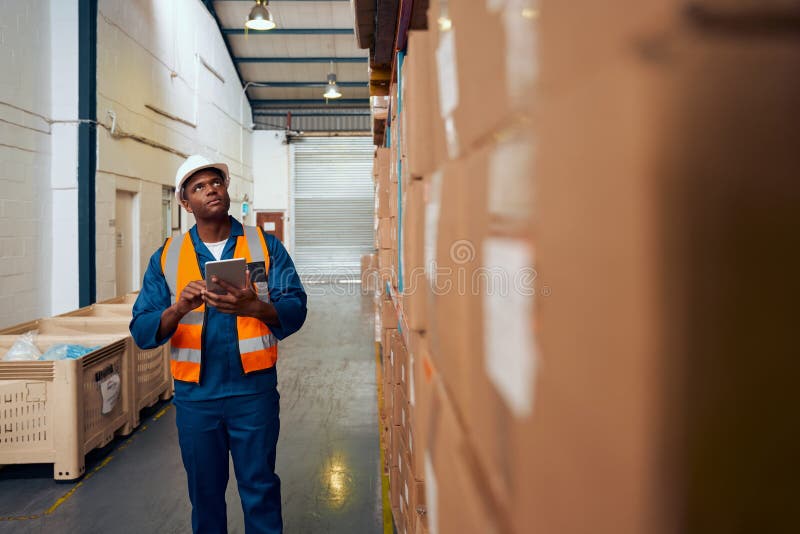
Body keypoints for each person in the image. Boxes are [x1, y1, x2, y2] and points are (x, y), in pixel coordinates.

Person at [130, 154, 307, 534]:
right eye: (198, 187)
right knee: (205, 495)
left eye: (216, 182)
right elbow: (142, 328)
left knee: (259, 488)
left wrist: (256, 306)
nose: (210, 189)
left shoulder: (263, 245)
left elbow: (295, 305)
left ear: (226, 189)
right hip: (197, 398)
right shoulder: (168, 256)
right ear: (184, 202)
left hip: (253, 394)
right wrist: (178, 308)